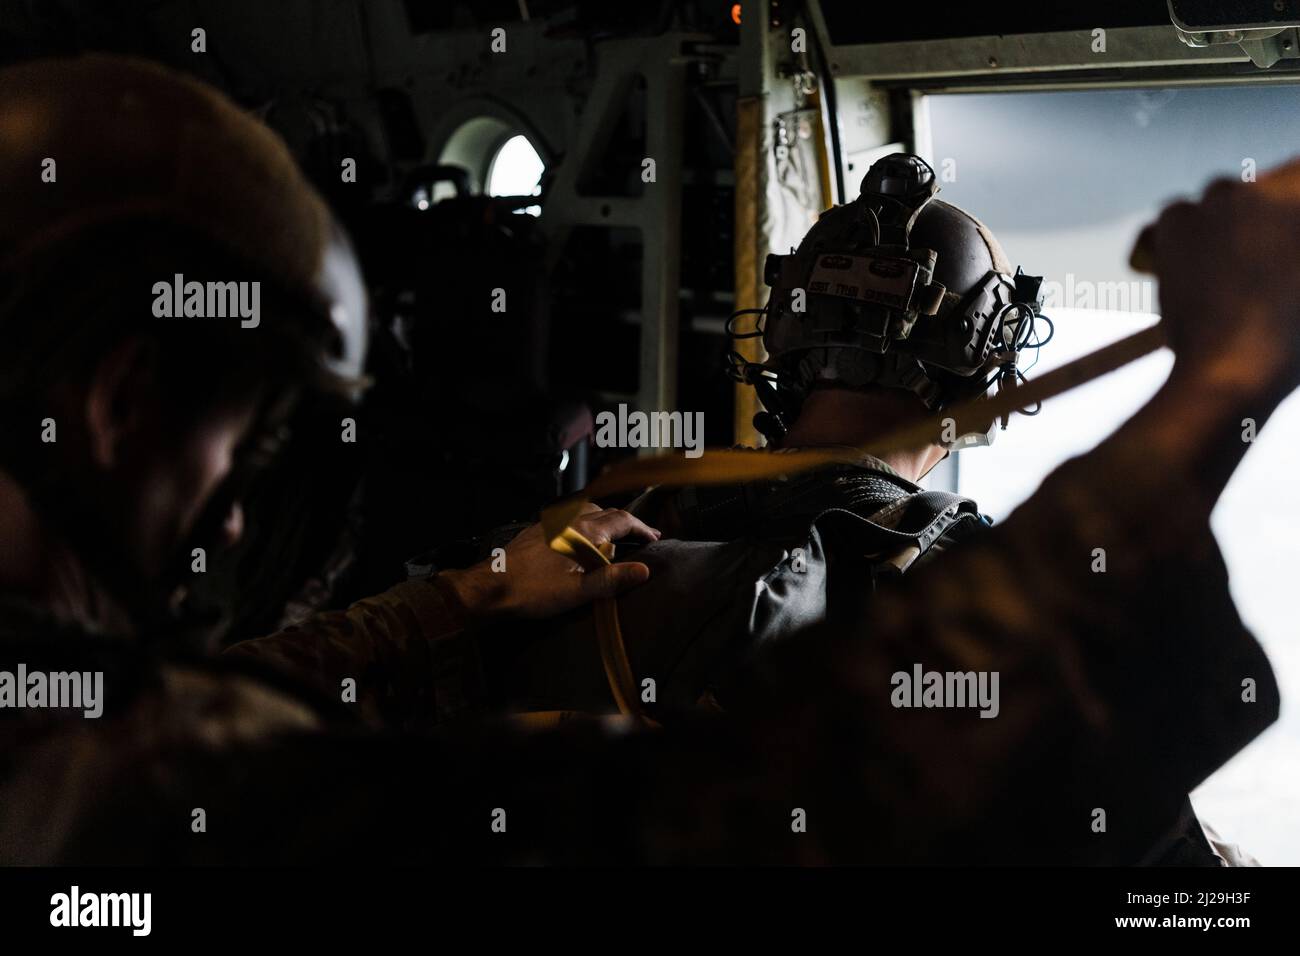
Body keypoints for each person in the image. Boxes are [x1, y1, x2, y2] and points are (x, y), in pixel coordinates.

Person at [0, 54, 1284, 865]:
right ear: (122, 399)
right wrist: (1218, 386)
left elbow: (237, 684)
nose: (229, 533)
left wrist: (464, 599)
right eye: (246, 442)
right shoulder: (109, 795)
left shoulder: (599, 530)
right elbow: (716, 816)